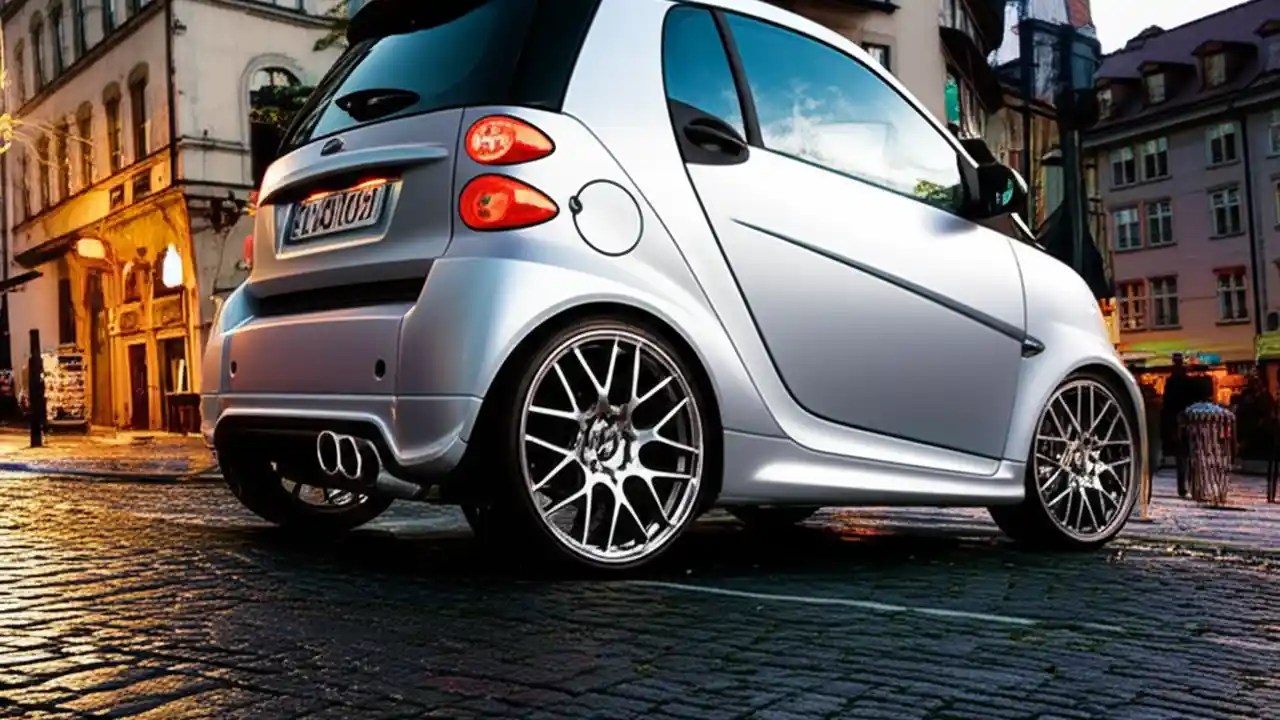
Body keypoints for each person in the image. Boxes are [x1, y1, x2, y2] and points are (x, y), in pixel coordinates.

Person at [1161, 354, 1196, 497]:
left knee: (1182, 456)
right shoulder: (1186, 381)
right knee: (1189, 455)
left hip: (1176, 419)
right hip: (1186, 418)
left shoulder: (1171, 381)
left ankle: (1183, 487)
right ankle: (1189, 486)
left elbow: (1167, 403)